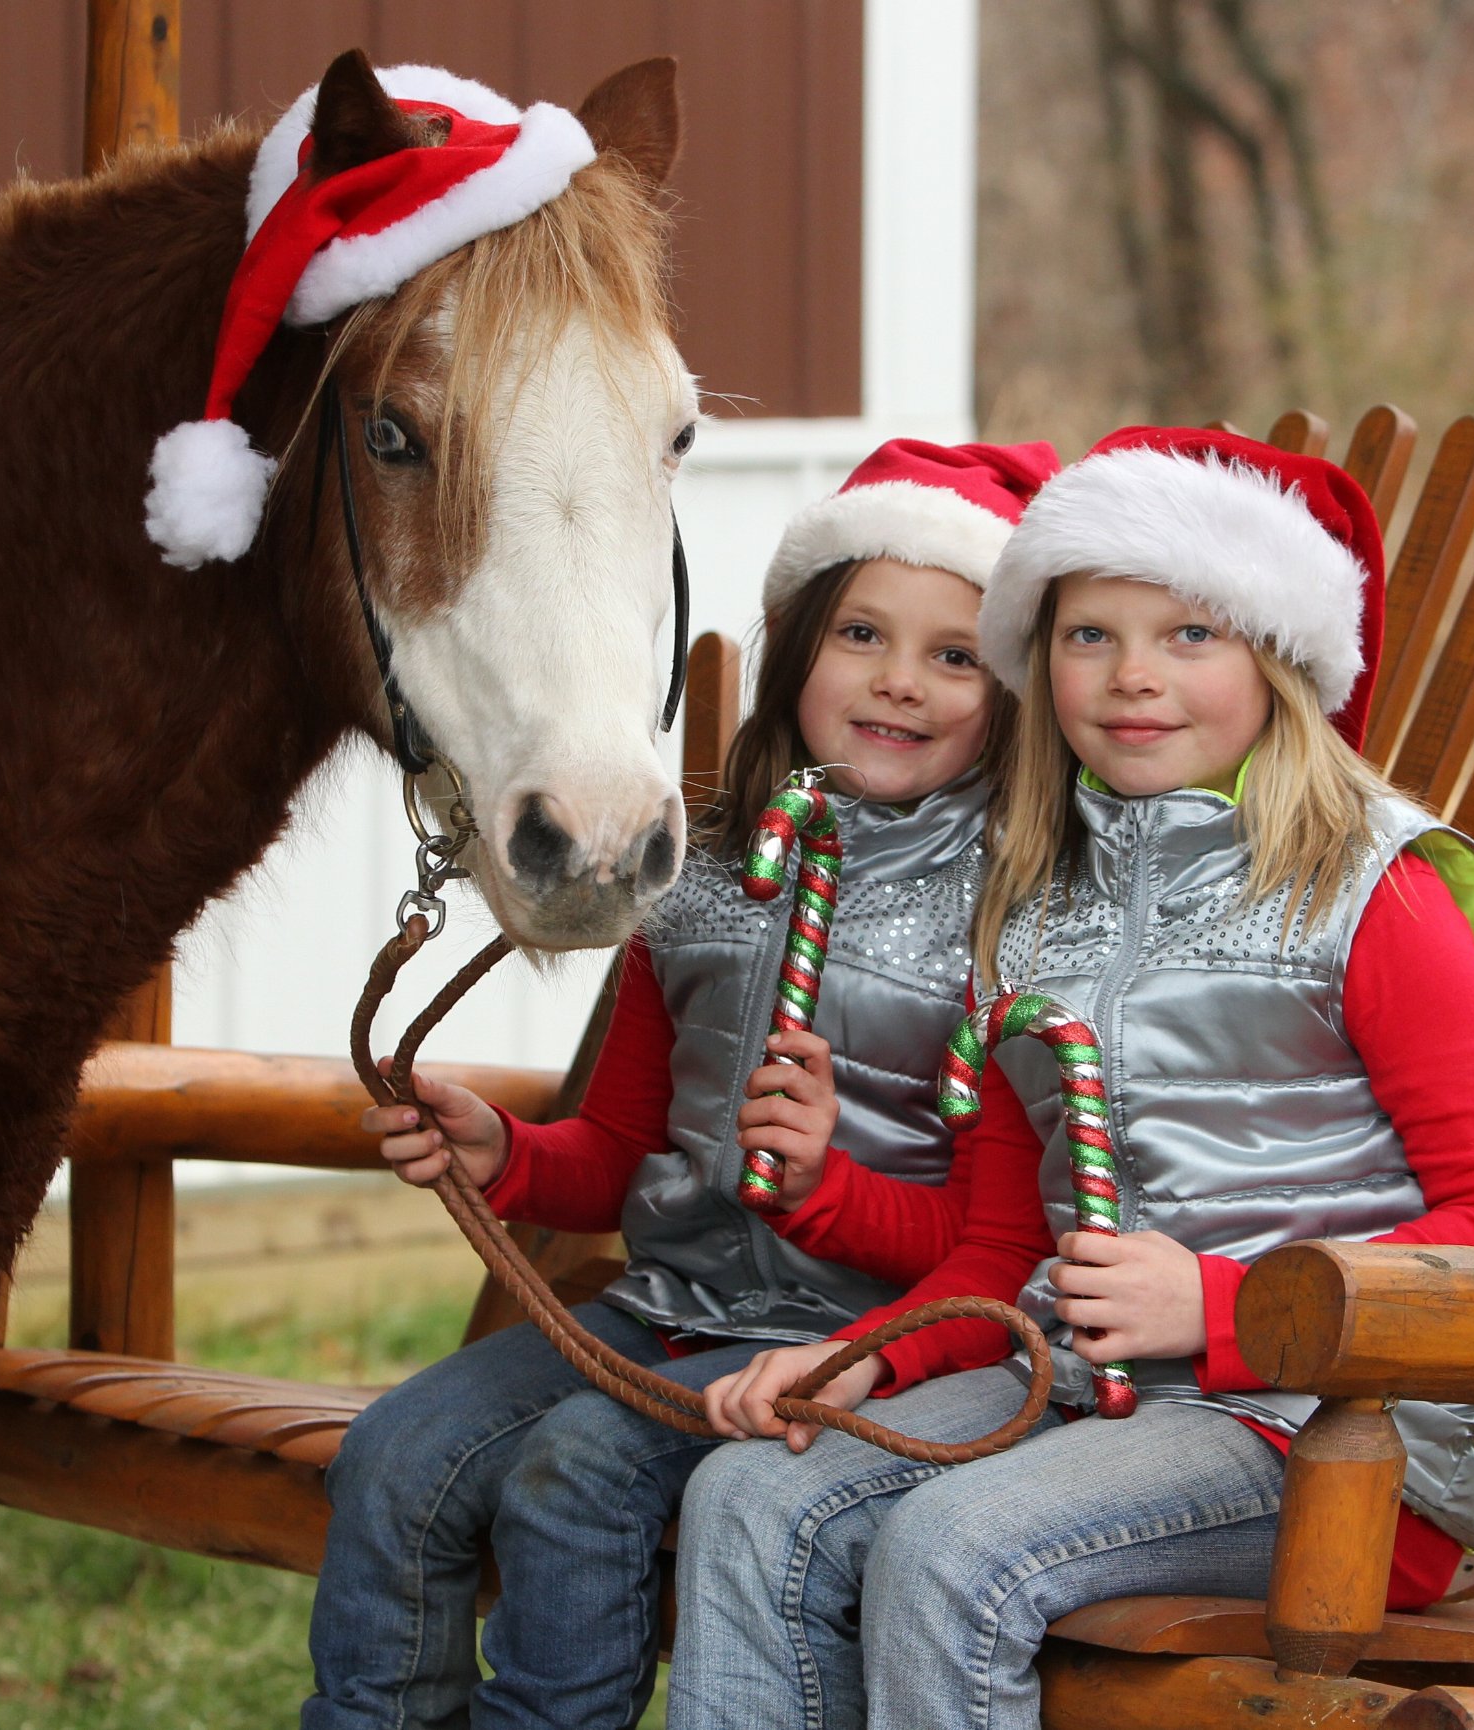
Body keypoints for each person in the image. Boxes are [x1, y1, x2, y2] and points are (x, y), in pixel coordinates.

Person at [668, 428, 1474, 1730]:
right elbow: (1000, 1244)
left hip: (1335, 1438)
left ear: (1280, 660)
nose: (1136, 676)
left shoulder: (1373, 889)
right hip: (1088, 1388)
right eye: (1091, 635)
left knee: (953, 1547)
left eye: (1191, 635)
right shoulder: (1035, 902)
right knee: (748, 1499)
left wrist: (1218, 1301)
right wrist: (870, 1356)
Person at [301, 439, 1060, 1730]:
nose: (897, 681)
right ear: (794, 648)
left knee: (576, 1471)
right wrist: (512, 1157)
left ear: (1012, 693)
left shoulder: (1016, 924)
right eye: (862, 632)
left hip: (868, 1349)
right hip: (667, 1304)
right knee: (397, 1454)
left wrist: (828, 1189)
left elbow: (997, 1253)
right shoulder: (703, 883)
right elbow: (620, 1150)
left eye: (954, 654)